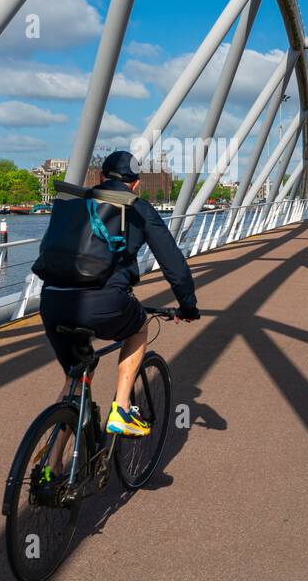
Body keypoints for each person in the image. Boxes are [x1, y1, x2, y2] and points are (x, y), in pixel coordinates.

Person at [39, 150, 200, 437]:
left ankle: (53, 466)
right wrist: (187, 306)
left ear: (100, 177)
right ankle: (122, 409)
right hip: (103, 302)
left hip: (52, 299)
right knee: (138, 326)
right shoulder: (138, 208)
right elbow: (173, 264)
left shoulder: (78, 202)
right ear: (136, 184)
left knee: (75, 378)